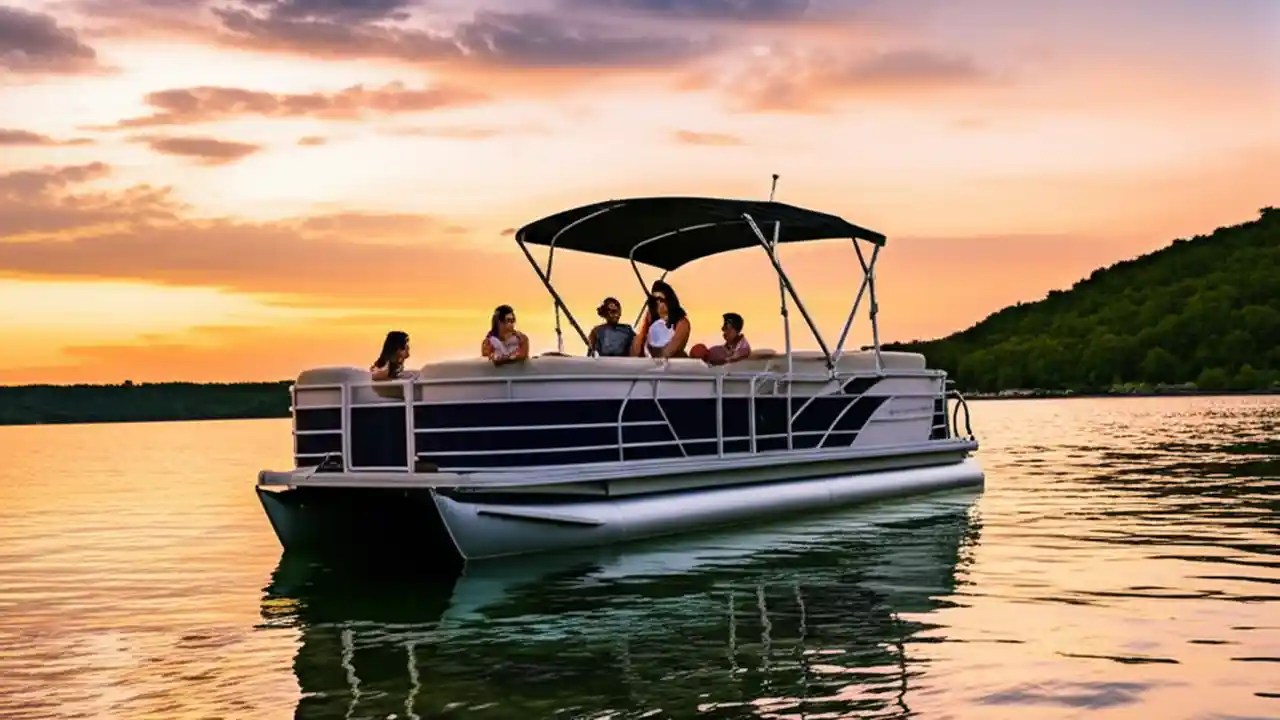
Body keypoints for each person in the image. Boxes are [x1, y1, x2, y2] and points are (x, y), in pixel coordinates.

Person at [631, 280, 691, 358]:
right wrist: (645, 325)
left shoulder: (681, 322)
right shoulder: (651, 323)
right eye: (654, 300)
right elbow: (634, 353)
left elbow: (671, 350)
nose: (658, 303)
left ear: (669, 300)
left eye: (661, 300)